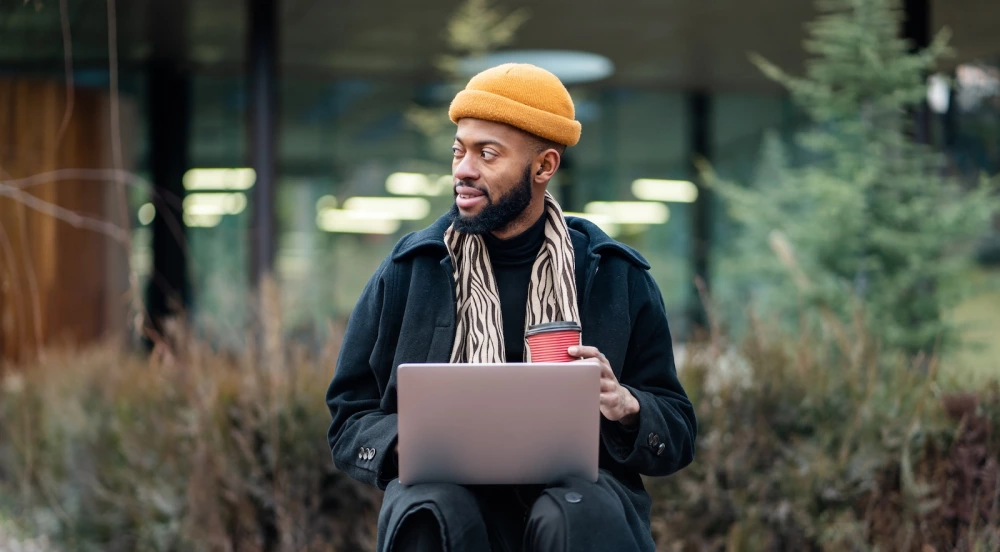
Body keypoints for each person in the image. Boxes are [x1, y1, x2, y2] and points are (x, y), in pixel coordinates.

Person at [325, 63, 697, 552]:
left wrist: (629, 407)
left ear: (543, 167)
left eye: (487, 154)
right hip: (448, 507)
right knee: (433, 508)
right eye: (459, 151)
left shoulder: (614, 275)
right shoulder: (410, 270)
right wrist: (406, 442)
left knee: (581, 511)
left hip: (575, 509)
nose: (463, 169)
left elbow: (677, 427)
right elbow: (349, 417)